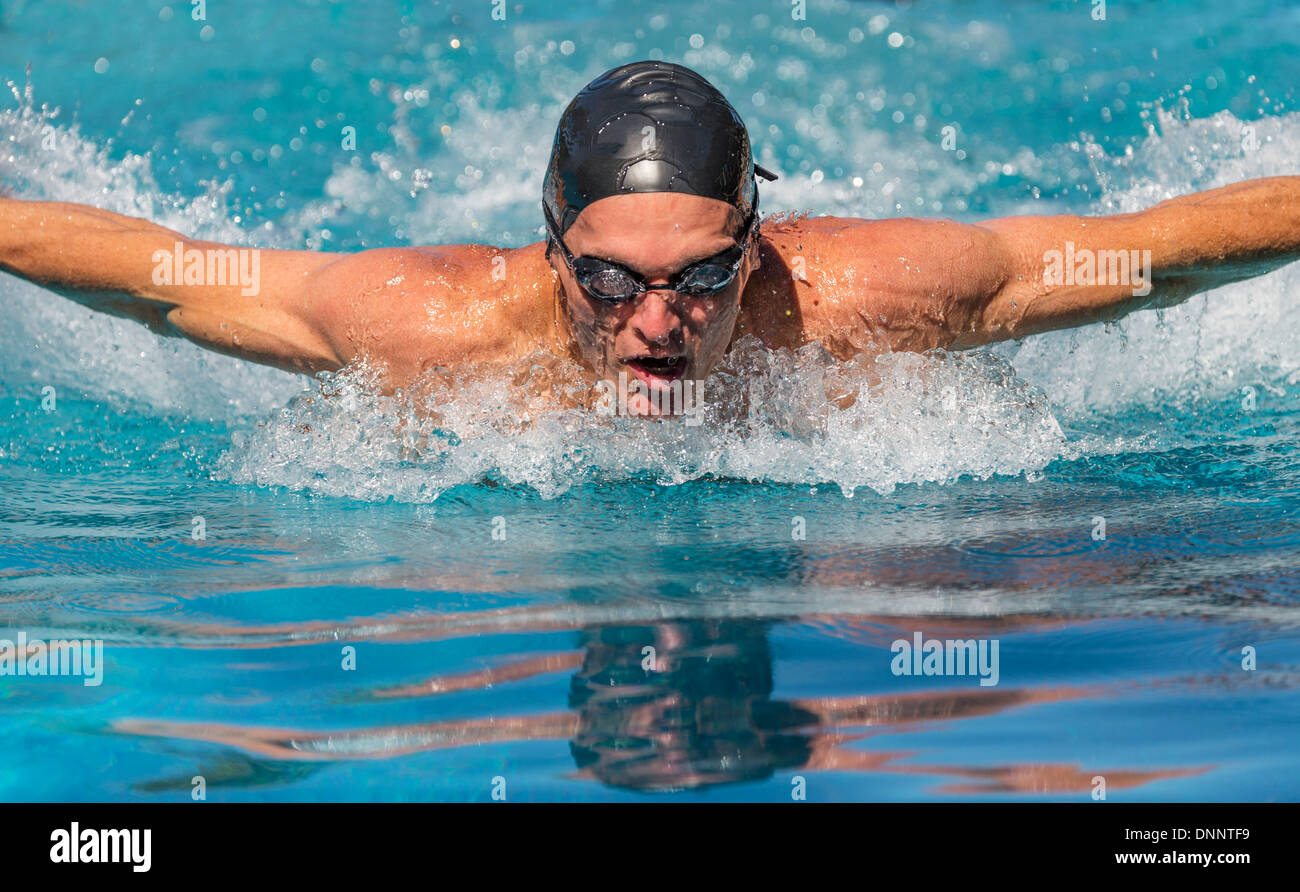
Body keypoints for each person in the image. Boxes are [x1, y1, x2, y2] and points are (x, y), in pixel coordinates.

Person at [2, 60, 1297, 414]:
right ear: (552, 252)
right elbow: (165, 281)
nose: (660, 324)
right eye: (611, 282)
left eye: (705, 278)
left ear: (757, 239)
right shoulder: (432, 327)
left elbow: (1153, 252)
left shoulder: (866, 298)